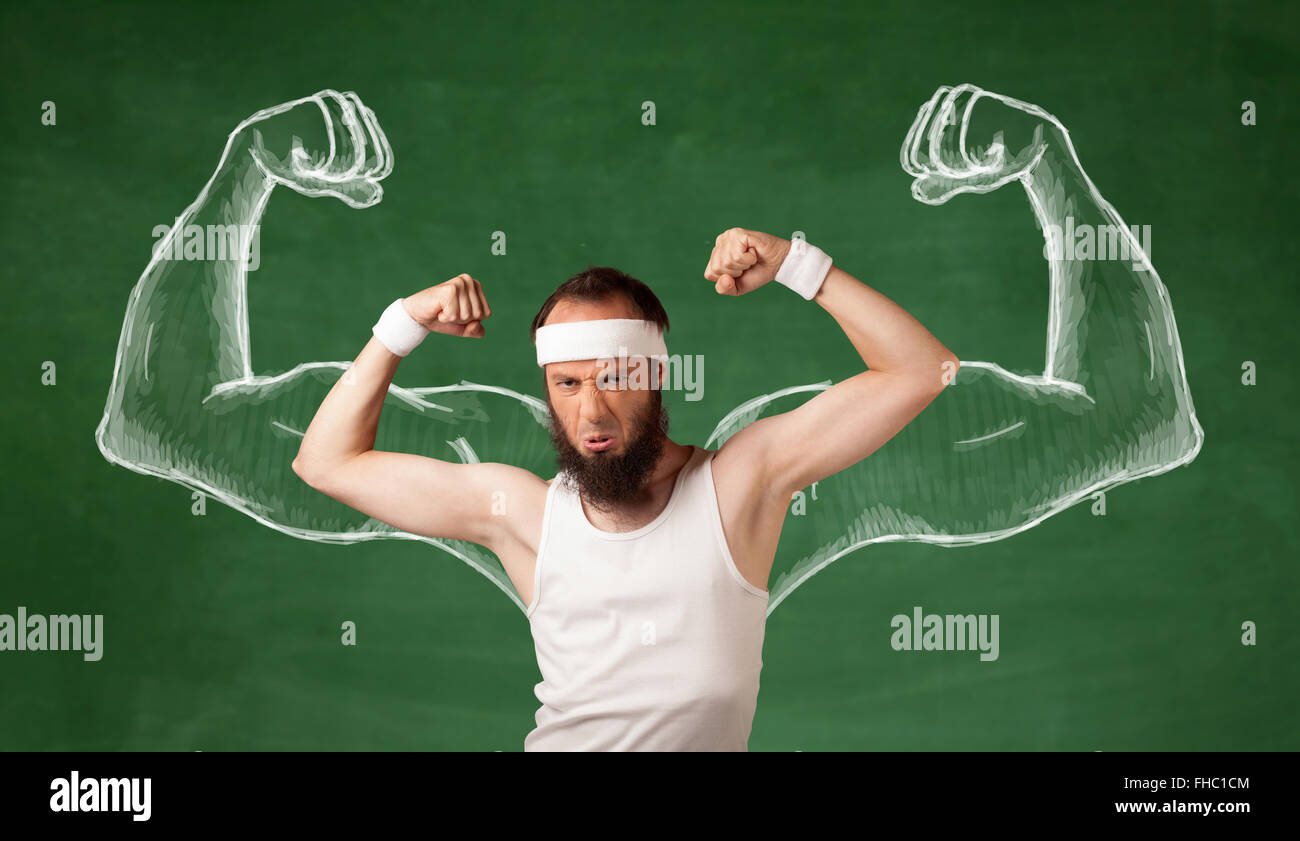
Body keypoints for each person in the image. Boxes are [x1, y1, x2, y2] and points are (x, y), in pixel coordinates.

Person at [97, 84, 1202, 752]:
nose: (591, 409)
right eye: (567, 384)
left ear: (659, 376)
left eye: (614, 379)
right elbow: (198, 425)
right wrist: (389, 316)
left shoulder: (760, 481)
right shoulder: (510, 499)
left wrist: (804, 264)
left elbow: (1110, 411)